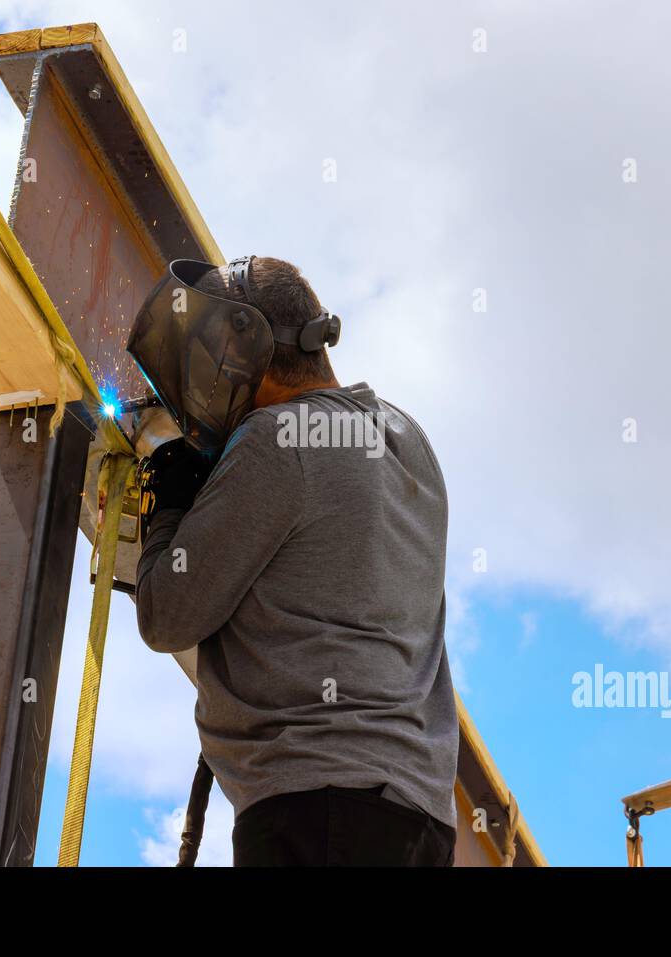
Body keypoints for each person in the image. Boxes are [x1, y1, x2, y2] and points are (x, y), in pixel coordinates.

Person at [128, 255, 458, 866]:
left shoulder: (279, 438)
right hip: (420, 821)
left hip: (319, 810)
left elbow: (167, 616)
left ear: (241, 343)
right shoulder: (409, 441)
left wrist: (171, 507)